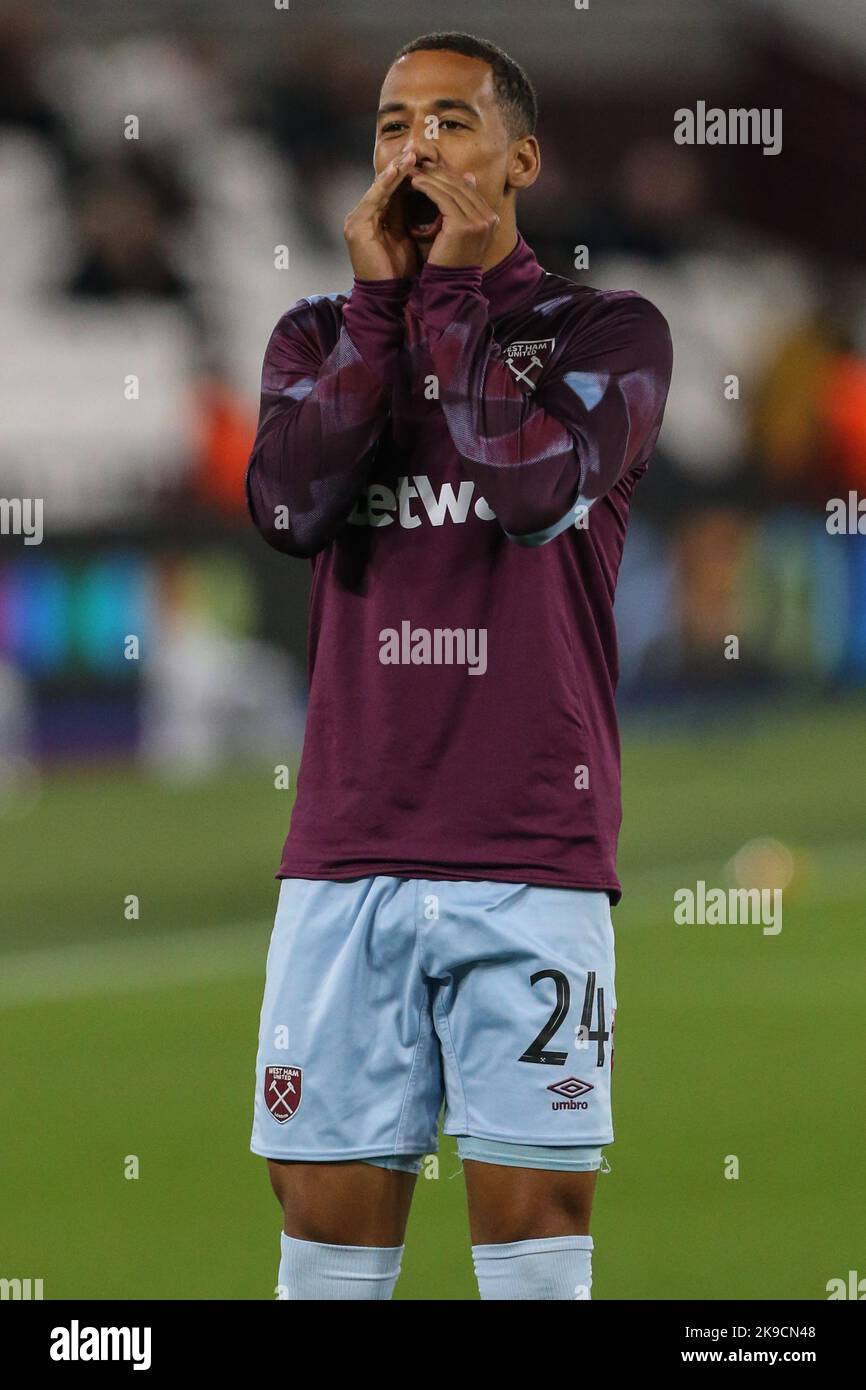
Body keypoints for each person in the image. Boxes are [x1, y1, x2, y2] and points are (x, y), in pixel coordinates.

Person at [246, 30, 673, 1301]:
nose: (412, 146)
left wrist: (438, 301)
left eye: (446, 120)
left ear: (519, 157)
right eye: (389, 126)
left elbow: (534, 488)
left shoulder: (608, 328)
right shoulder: (315, 334)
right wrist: (381, 309)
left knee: (533, 1247)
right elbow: (286, 509)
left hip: (527, 850)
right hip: (345, 850)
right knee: (322, 1253)